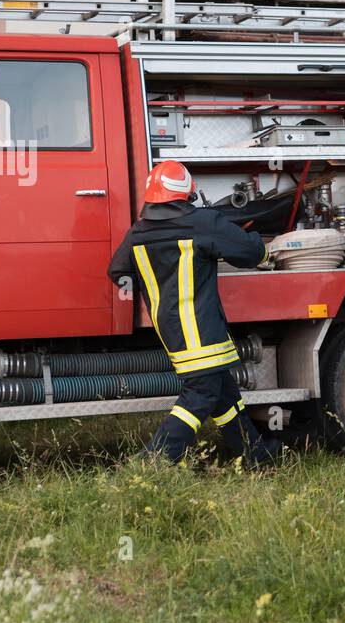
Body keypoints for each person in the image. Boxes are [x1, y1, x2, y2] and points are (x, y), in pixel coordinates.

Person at [108, 160, 282, 466]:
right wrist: (268, 251)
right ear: (186, 193)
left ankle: (254, 454)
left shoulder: (137, 233)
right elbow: (250, 253)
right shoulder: (203, 223)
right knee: (201, 393)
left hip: (170, 331)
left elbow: (118, 271)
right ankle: (155, 461)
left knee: (223, 392)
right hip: (202, 329)